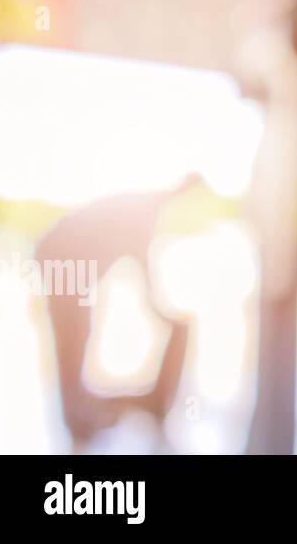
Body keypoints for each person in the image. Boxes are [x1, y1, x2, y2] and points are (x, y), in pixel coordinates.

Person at [36, 175, 202, 450]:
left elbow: (141, 270)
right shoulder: (145, 211)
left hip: (68, 261)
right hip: (61, 258)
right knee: (73, 333)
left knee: (79, 330)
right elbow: (145, 273)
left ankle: (77, 410)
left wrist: (163, 312)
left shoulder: (143, 207)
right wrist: (162, 312)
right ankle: (75, 415)